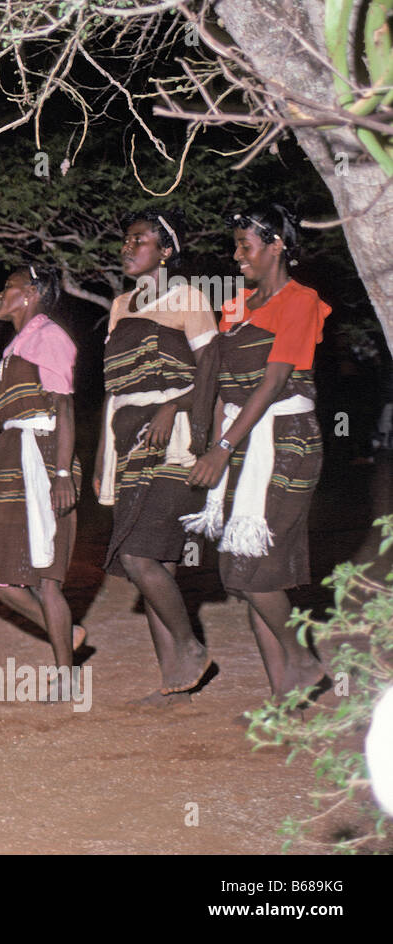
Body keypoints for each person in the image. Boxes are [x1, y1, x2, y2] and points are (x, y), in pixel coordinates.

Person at [184, 203, 329, 700]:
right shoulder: (237, 305)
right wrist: (210, 441)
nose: (236, 255)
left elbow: (274, 381)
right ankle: (285, 701)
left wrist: (221, 449)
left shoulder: (301, 301)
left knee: (250, 571)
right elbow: (225, 384)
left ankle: (306, 662)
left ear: (277, 245)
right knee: (248, 571)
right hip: (242, 438)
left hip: (287, 440)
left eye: (245, 246)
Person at [94, 208, 217, 706]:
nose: (129, 247)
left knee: (136, 554)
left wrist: (181, 413)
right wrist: (104, 457)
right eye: (126, 239)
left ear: (166, 251)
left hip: (175, 438)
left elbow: (211, 373)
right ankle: (175, 683)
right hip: (129, 441)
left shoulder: (190, 298)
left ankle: (191, 649)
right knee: (159, 561)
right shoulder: (121, 305)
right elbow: (114, 393)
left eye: (140, 239)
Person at [0, 265, 81, 693]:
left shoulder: (49, 337)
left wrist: (63, 474)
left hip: (45, 459)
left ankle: (65, 676)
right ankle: (68, 633)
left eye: (6, 288)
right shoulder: (15, 346)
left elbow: (63, 409)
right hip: (12, 461)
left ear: (31, 293)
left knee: (47, 578)